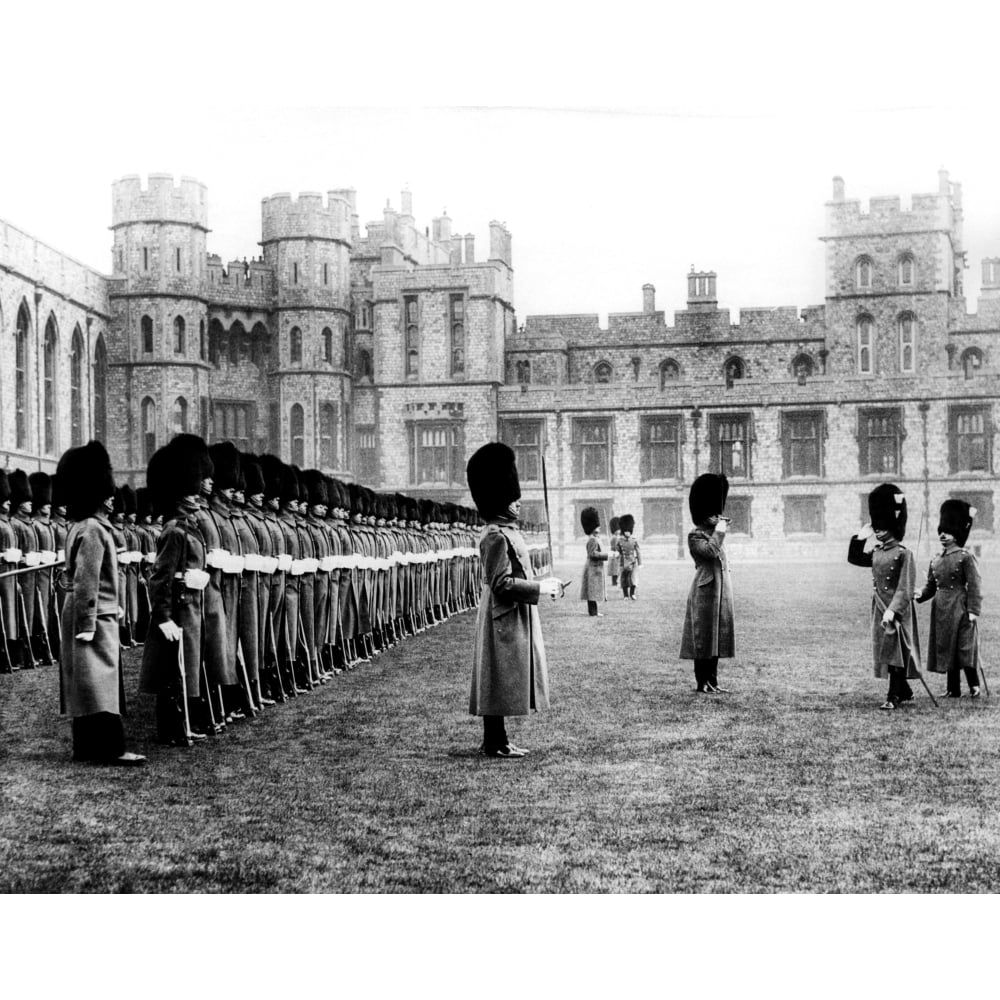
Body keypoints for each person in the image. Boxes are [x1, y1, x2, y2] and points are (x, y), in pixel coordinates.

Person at [467, 442, 562, 758]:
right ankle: (495, 741)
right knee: (497, 677)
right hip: (502, 614)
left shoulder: (509, 531)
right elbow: (501, 584)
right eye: (512, 497)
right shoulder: (495, 535)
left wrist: (541, 585)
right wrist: (538, 589)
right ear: (499, 500)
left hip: (513, 614)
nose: (518, 502)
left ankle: (499, 740)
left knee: (503, 676)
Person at [57, 441, 145, 766]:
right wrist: (87, 623)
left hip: (95, 612)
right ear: (95, 493)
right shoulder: (93, 530)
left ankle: (86, 748)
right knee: (102, 684)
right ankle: (111, 748)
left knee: (86, 684)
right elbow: (87, 580)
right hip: (93, 616)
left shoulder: (81, 526)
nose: (111, 498)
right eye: (106, 492)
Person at [138, 437, 213, 746]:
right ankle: (172, 728)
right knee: (173, 672)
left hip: (191, 606)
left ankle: (185, 723)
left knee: (189, 668)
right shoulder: (173, 530)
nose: (196, 496)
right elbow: (160, 578)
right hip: (178, 610)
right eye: (190, 491)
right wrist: (164, 617)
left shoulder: (187, 527)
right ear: (179, 495)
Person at [847, 483, 920, 710]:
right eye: (876, 526)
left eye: (882, 526)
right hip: (879, 607)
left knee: (896, 651)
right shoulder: (877, 551)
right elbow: (856, 559)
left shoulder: (903, 553)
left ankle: (893, 696)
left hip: (896, 609)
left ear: (893, 526)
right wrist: (860, 537)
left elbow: (905, 587)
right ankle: (904, 690)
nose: (878, 530)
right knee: (885, 650)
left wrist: (893, 609)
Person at [915, 499, 983, 698]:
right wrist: (919, 594)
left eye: (948, 532)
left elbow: (975, 584)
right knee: (948, 646)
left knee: (964, 646)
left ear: (957, 534)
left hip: (960, 606)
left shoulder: (965, 557)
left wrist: (973, 610)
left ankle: (974, 685)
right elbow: (931, 587)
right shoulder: (935, 559)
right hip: (941, 608)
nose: (943, 536)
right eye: (941, 532)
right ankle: (953, 688)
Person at [679, 473, 735, 693]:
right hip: (705, 590)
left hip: (721, 590)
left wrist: (718, 527)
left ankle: (714, 681)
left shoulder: (712, 532)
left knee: (717, 636)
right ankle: (702, 682)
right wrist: (720, 529)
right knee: (703, 637)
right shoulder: (696, 536)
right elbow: (711, 552)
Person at [578, 506, 608, 616]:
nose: (599, 528)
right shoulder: (592, 540)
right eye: (597, 527)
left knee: (593, 591)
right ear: (593, 528)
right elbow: (593, 554)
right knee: (592, 592)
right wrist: (607, 555)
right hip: (592, 569)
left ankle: (594, 611)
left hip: (595, 568)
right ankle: (593, 612)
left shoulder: (595, 539)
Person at [617, 513, 641, 600]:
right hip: (623, 562)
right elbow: (618, 551)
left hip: (632, 561)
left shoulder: (634, 540)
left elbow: (638, 551)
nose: (627, 533)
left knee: (633, 578)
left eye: (629, 531)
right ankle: (625, 595)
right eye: (626, 531)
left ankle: (632, 594)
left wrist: (640, 563)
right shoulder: (619, 541)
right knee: (624, 579)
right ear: (623, 531)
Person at [607, 516, 621, 588]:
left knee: (615, 569)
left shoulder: (614, 537)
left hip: (614, 554)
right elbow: (615, 546)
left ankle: (615, 581)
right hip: (615, 554)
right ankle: (614, 582)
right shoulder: (615, 537)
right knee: (615, 569)